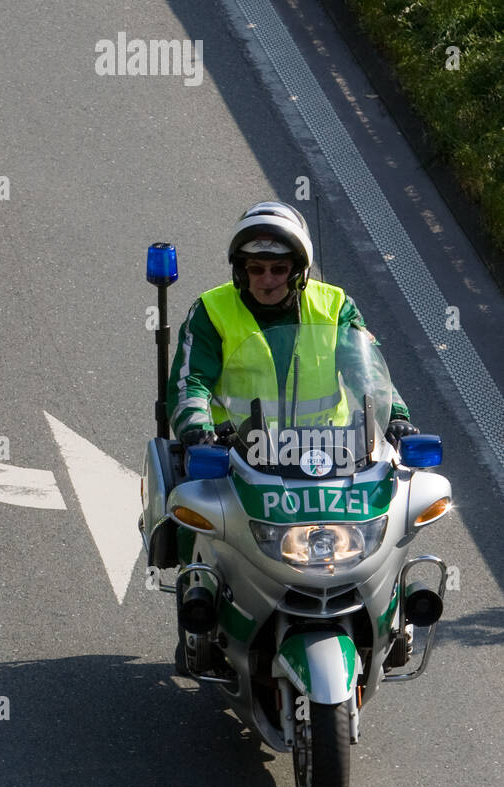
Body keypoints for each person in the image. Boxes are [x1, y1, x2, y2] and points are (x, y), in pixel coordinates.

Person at [165, 200, 417, 674]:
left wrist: (397, 417)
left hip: (332, 453)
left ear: (297, 271)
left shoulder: (335, 305)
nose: (266, 279)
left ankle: (396, 614)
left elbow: (371, 376)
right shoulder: (211, 310)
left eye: (278, 269)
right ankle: (198, 608)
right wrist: (197, 429)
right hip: (238, 453)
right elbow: (189, 382)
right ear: (240, 270)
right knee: (192, 512)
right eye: (255, 268)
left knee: (399, 508)